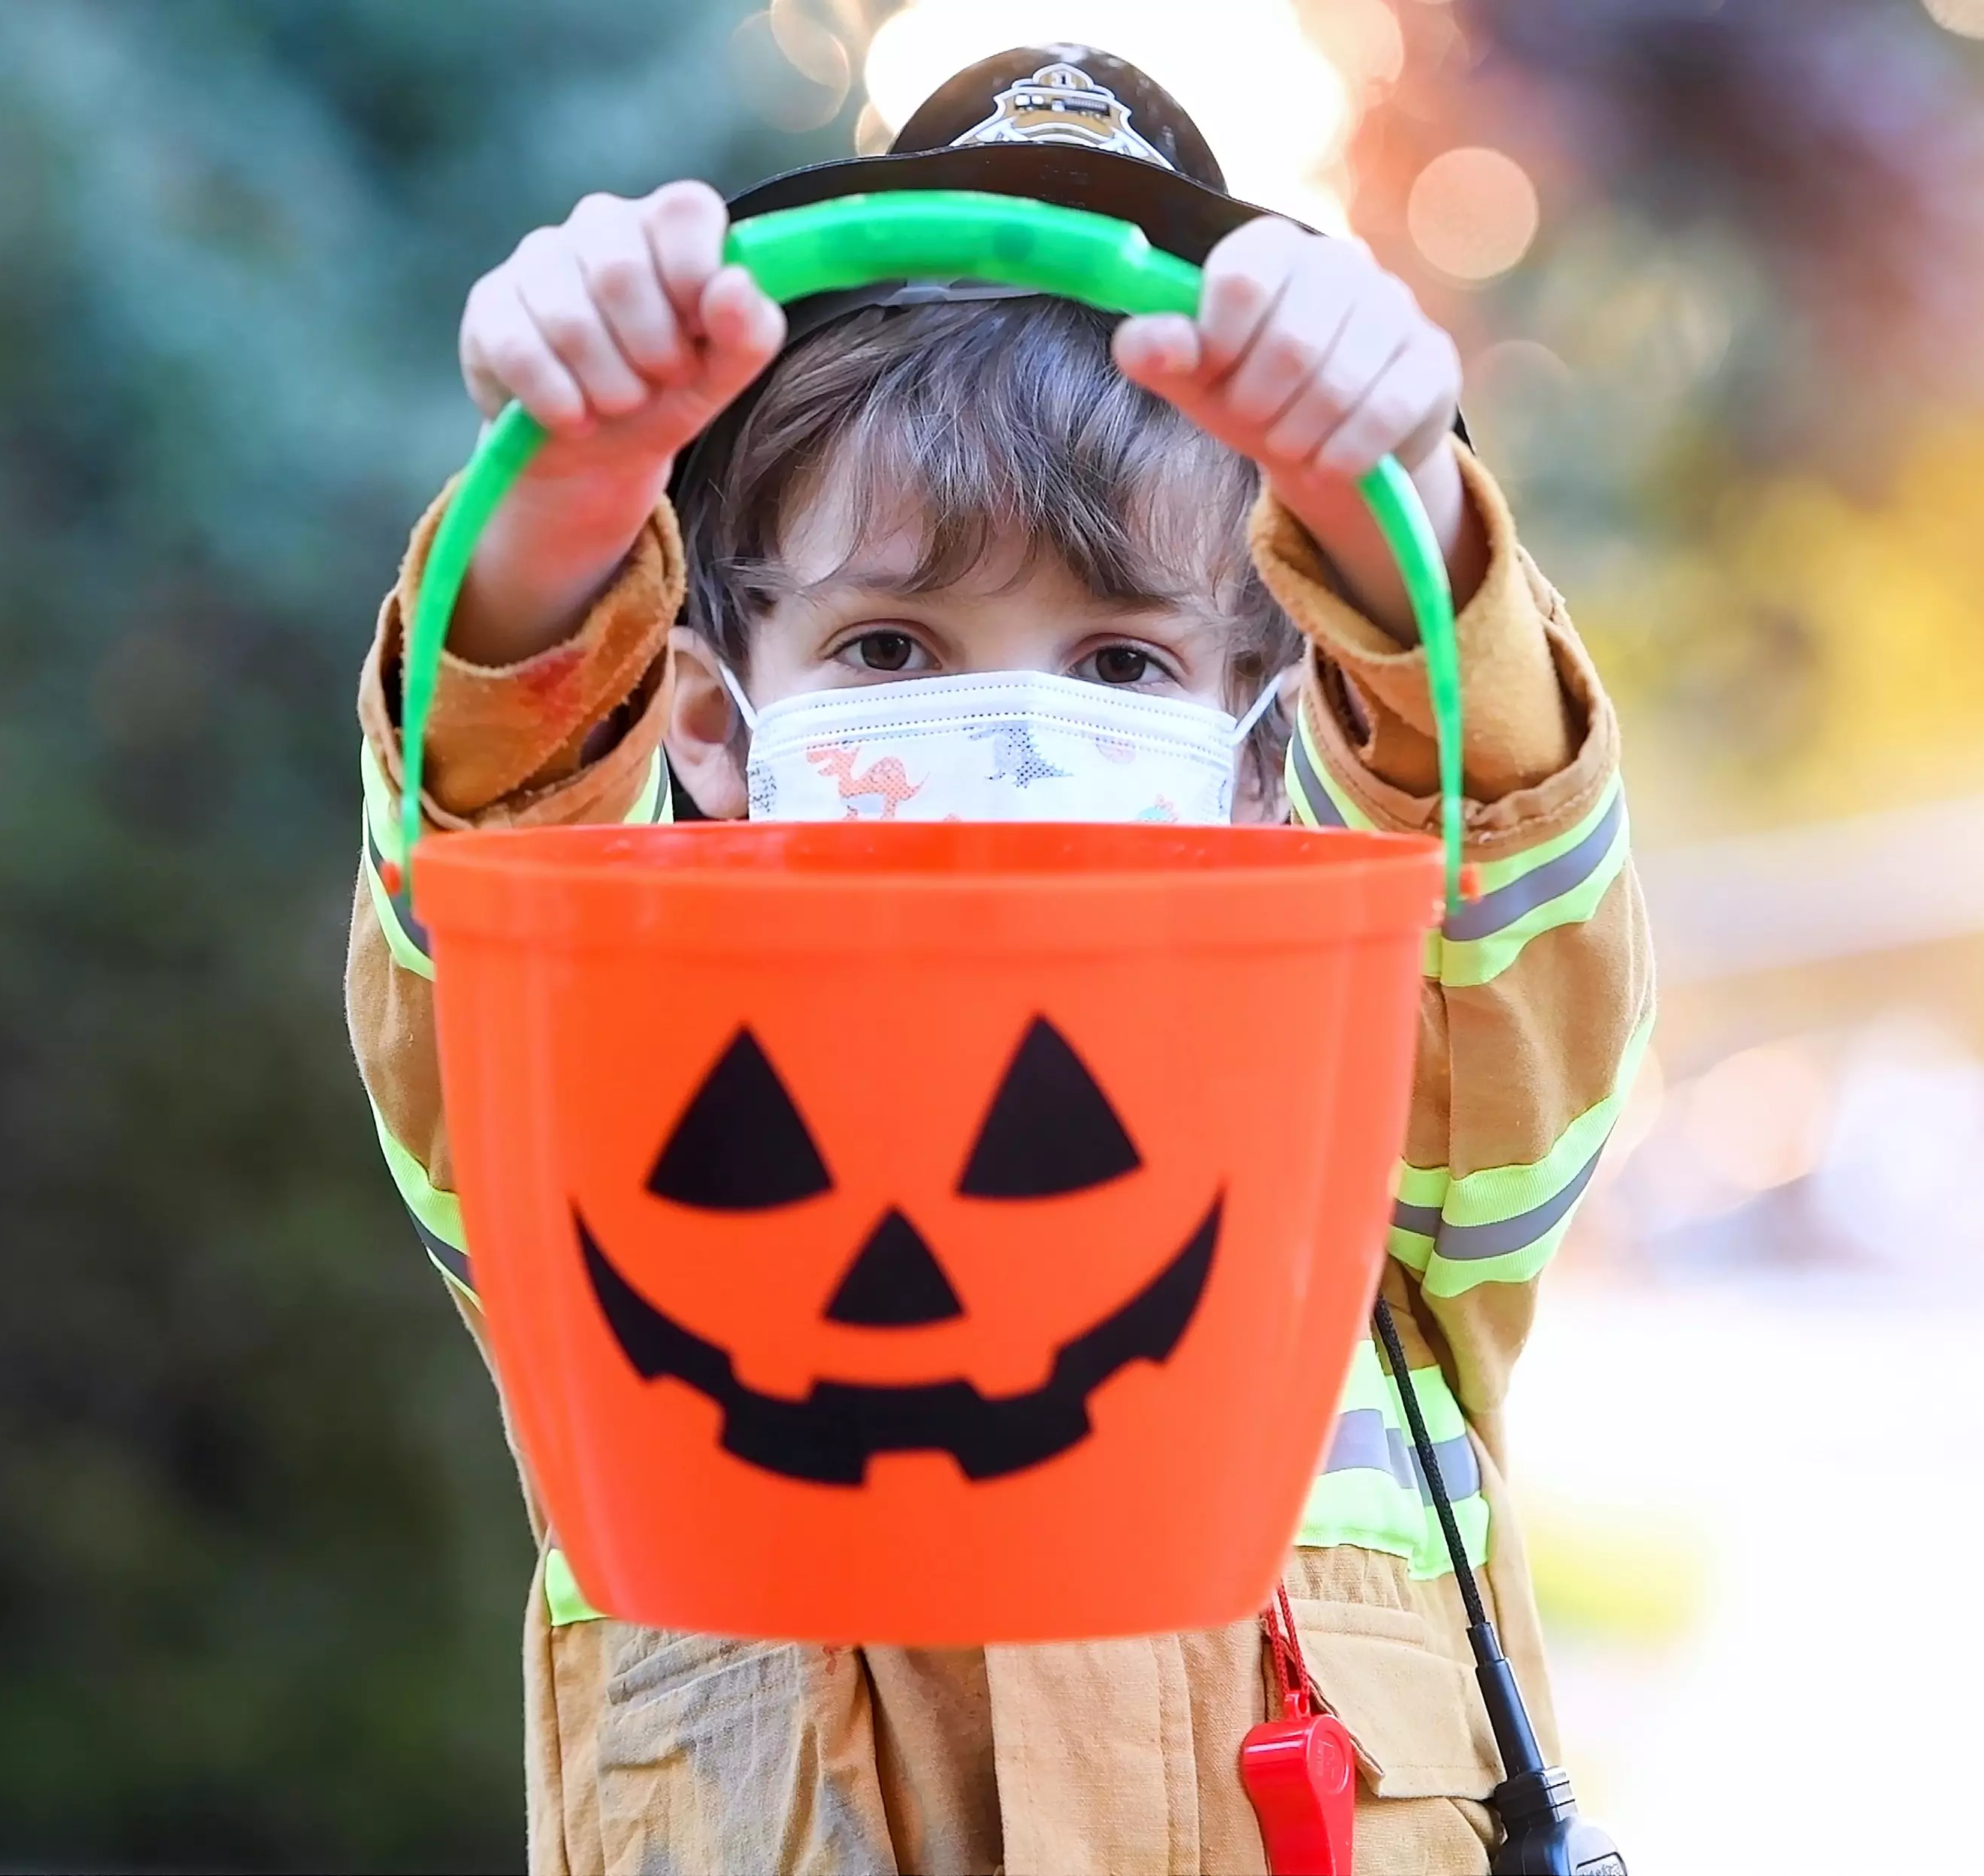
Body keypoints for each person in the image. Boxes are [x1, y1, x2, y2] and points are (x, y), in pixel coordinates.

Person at [346, 44, 1652, 1876]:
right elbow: (478, 913)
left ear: (1252, 753)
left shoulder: (1358, 1153)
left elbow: (1506, 932)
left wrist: (1403, 523)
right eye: (889, 645)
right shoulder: (632, 1141)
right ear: (715, 728)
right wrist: (551, 534)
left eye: (1119, 662)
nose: (1016, 734)